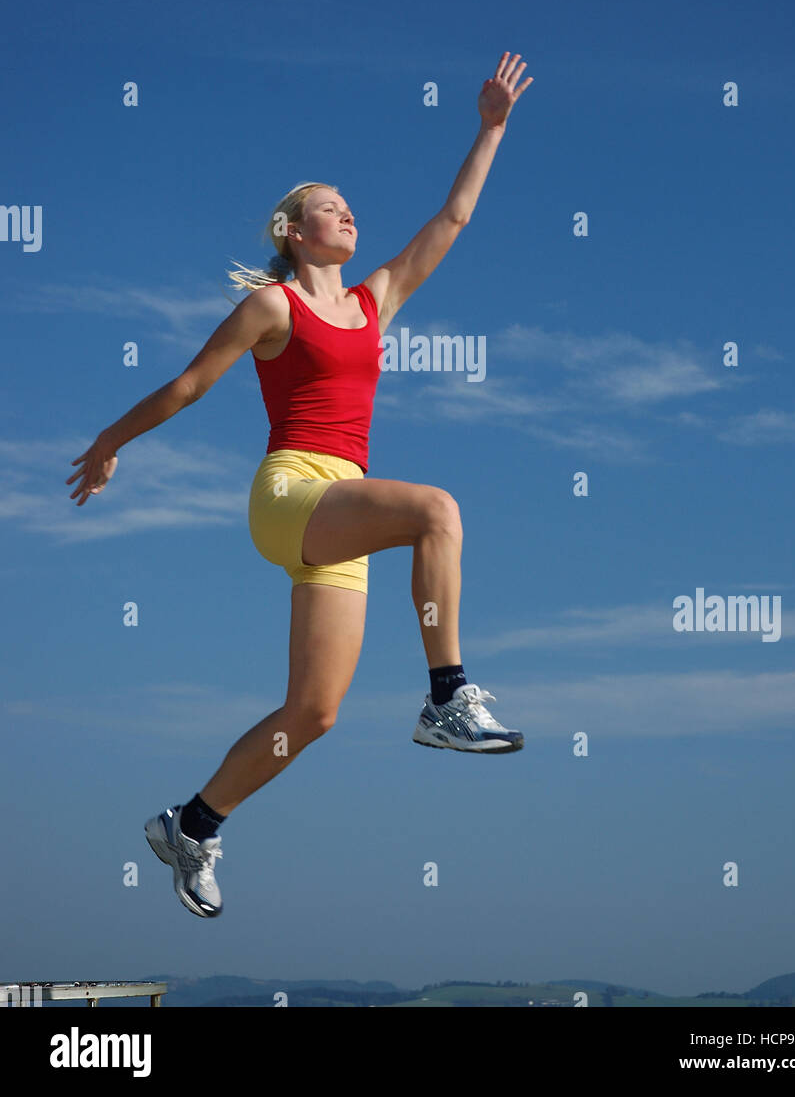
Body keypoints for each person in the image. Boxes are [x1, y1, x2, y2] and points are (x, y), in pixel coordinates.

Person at [66, 51, 534, 919]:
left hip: (342, 510)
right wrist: (109, 441)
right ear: (292, 229)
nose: (347, 212)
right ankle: (446, 696)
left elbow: (455, 218)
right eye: (328, 205)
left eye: (351, 207)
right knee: (437, 511)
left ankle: (193, 824)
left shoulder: (372, 300)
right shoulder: (274, 308)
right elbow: (187, 385)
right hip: (292, 494)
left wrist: (491, 127)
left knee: (311, 714)